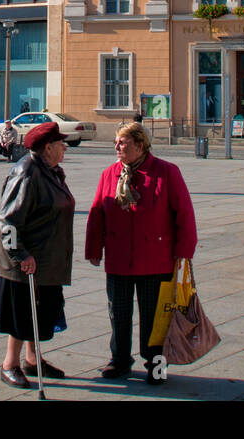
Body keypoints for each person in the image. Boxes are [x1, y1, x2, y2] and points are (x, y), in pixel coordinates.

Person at [85, 123, 198, 384]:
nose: (117, 147)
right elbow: (97, 212)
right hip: (119, 257)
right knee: (118, 313)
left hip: (154, 259)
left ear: (140, 145)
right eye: (116, 142)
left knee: (154, 318)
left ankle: (156, 365)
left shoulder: (166, 172)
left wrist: (184, 252)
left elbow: (184, 214)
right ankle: (119, 360)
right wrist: (94, 248)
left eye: (122, 142)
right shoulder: (109, 174)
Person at [0, 121, 75, 389]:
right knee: (22, 314)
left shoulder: (50, 170)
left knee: (37, 313)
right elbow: (8, 220)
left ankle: (32, 359)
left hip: (45, 258)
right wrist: (20, 254)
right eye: (61, 144)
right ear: (48, 147)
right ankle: (9, 364)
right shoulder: (27, 172)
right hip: (25, 261)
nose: (65, 148)